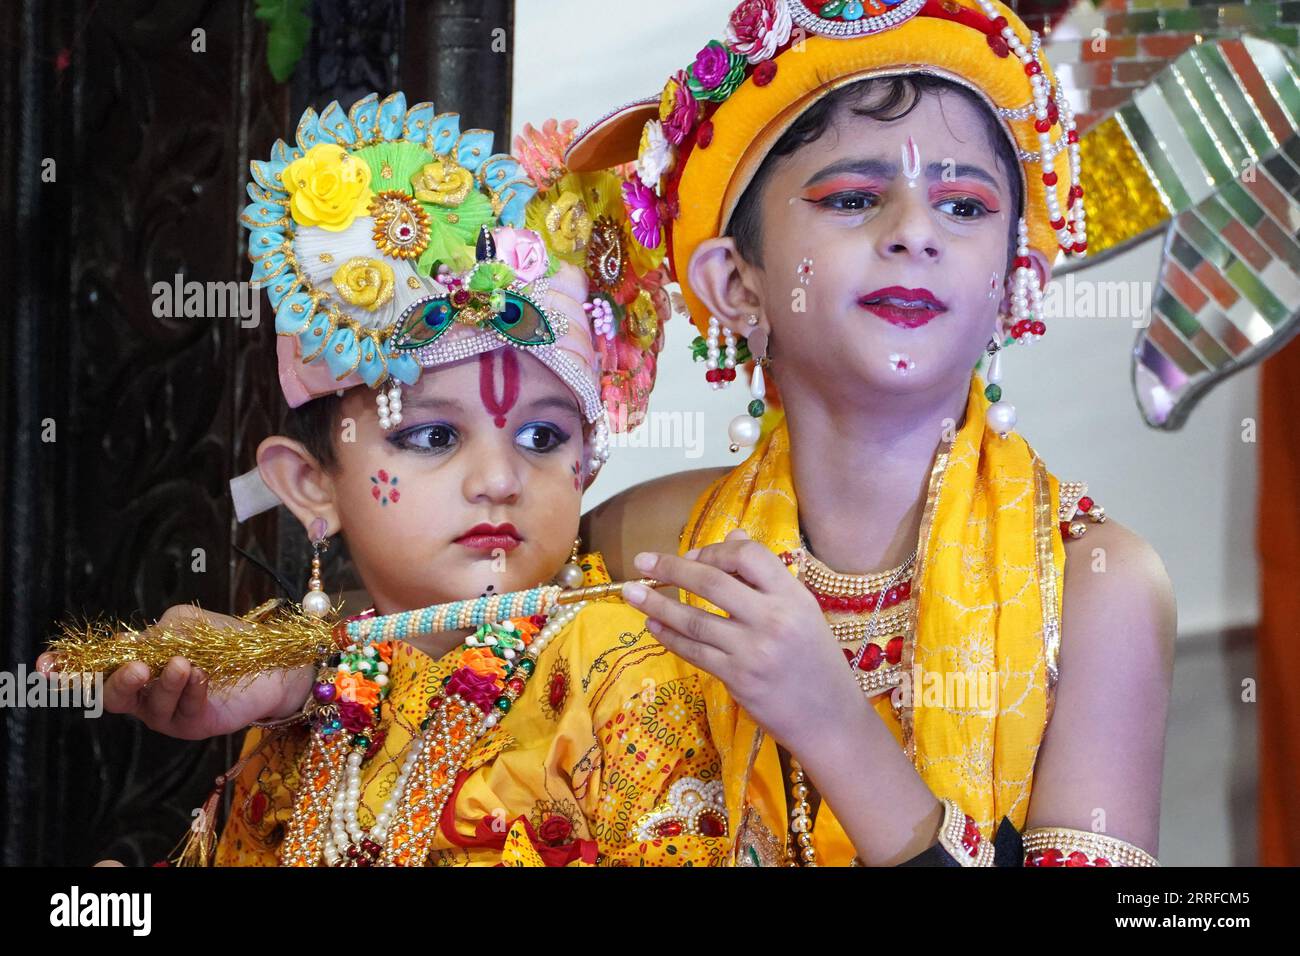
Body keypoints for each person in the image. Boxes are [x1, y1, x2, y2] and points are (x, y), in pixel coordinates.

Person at [41, 94, 735, 867]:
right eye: (432, 435)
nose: (501, 478)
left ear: (589, 463)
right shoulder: (316, 695)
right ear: (309, 486)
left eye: (543, 436)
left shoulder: (625, 675)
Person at [563, 0, 1176, 866]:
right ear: (737, 286)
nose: (915, 234)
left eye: (964, 207)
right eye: (854, 197)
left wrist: (834, 727)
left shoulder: (1098, 587)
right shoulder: (642, 547)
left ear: (1014, 282)